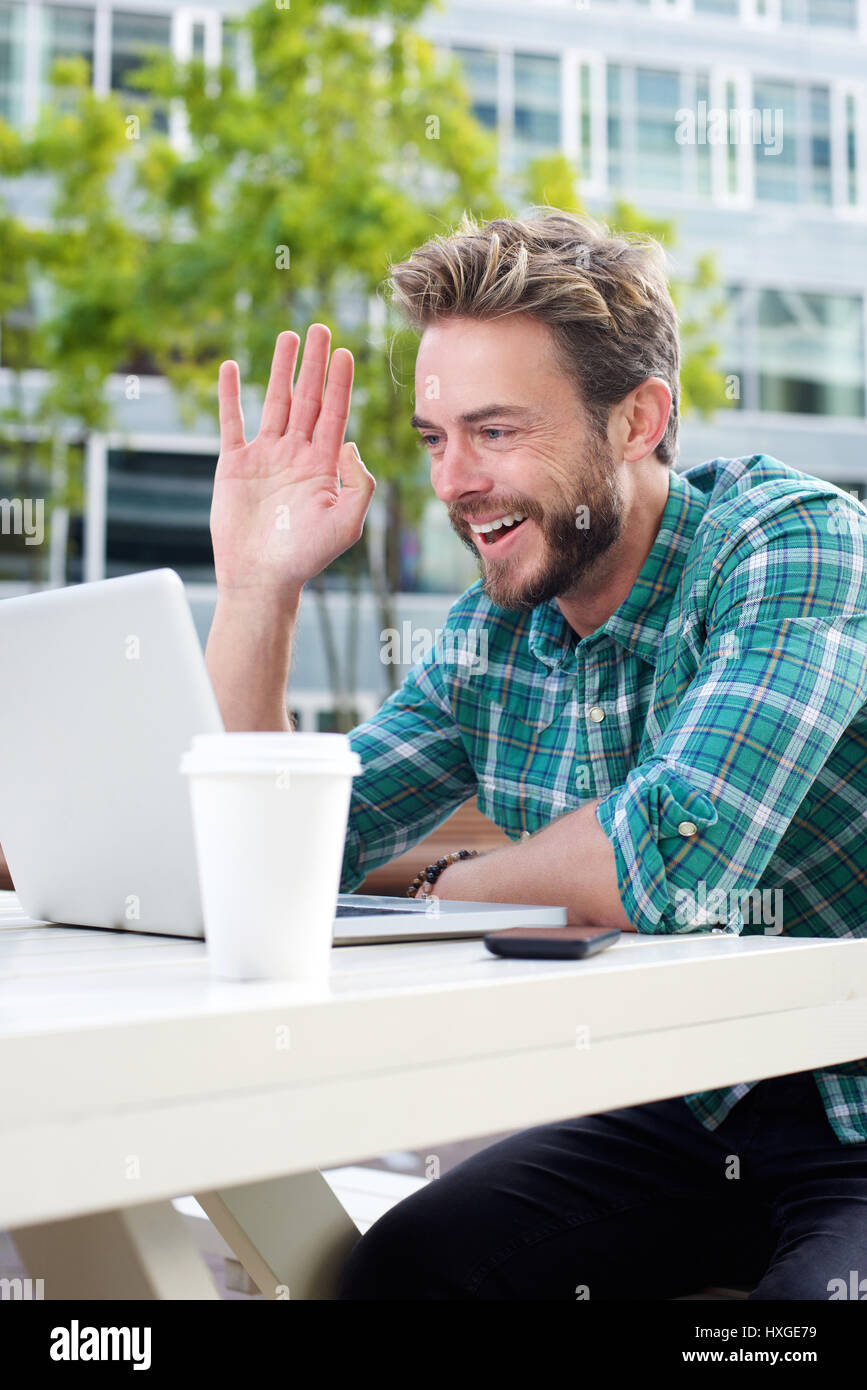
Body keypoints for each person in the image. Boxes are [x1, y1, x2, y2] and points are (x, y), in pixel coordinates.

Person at [30, 208, 867, 1298]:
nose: (455, 480)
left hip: (852, 1107)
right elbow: (259, 853)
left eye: (498, 431)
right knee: (399, 1280)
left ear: (638, 420)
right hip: (690, 1104)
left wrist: (448, 883)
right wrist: (258, 586)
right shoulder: (494, 634)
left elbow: (673, 856)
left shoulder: (790, 544)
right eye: (436, 439)